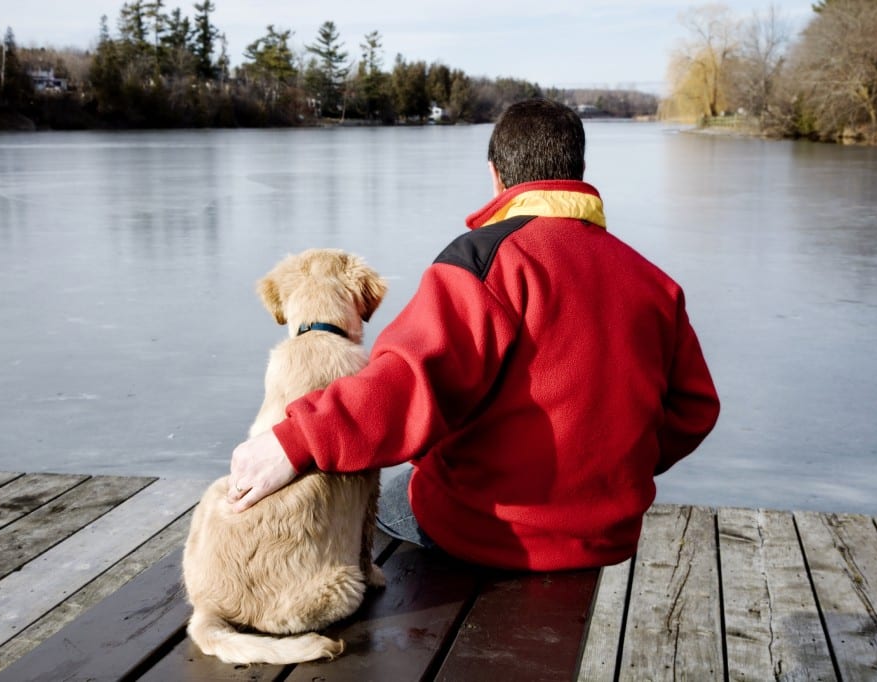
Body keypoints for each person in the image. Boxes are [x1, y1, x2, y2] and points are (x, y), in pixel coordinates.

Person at [227, 98, 720, 571]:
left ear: (495, 175)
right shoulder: (654, 282)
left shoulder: (486, 263)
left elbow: (406, 381)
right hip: (605, 535)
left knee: (381, 504)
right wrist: (610, 471)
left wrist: (296, 440)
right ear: (579, 172)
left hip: (487, 532)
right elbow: (695, 409)